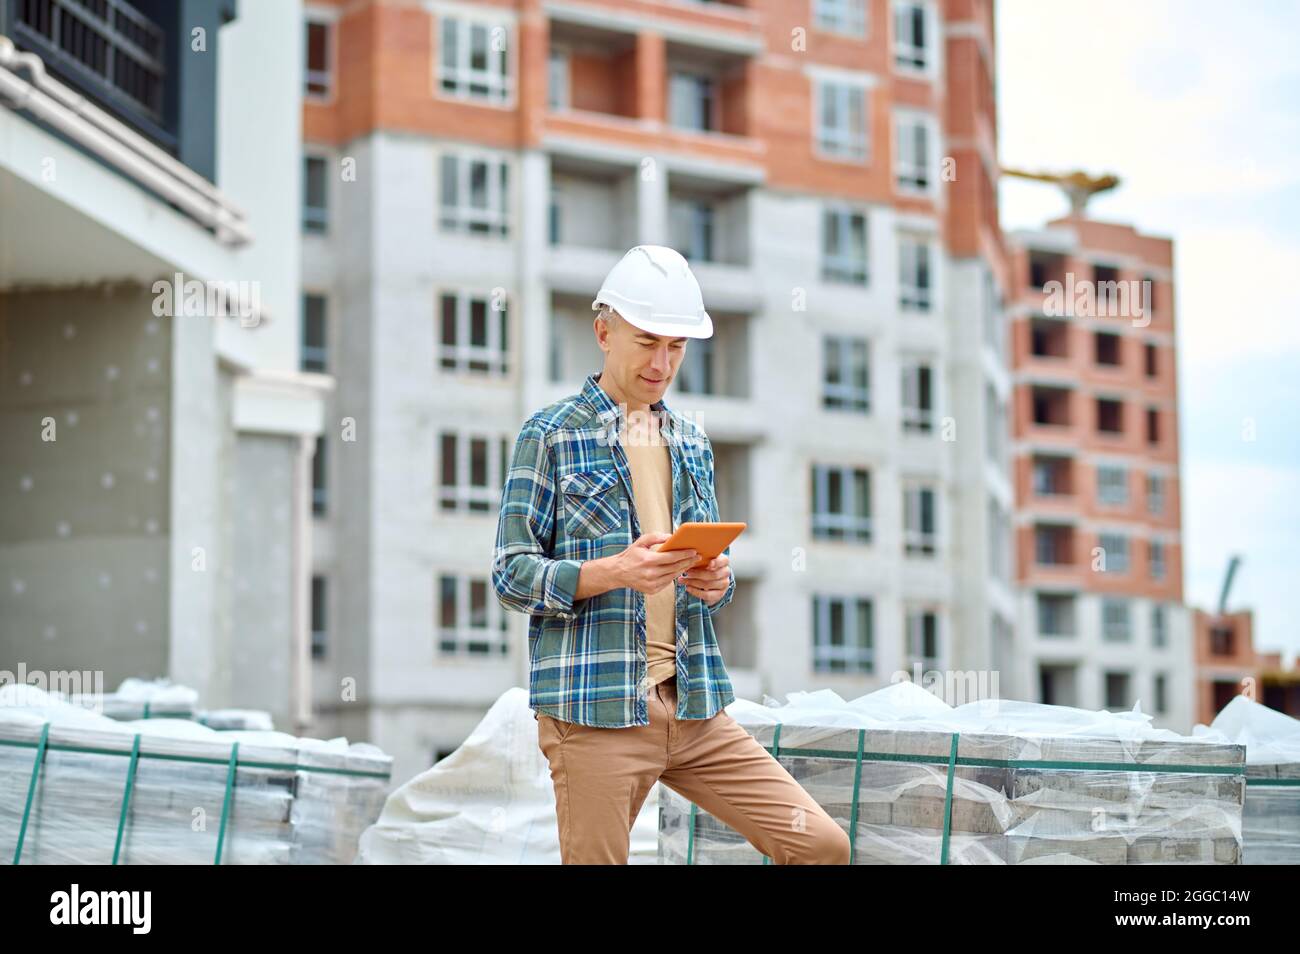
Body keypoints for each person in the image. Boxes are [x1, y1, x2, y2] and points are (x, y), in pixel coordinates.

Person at [491, 245, 851, 865]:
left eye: (677, 347)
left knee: (820, 845)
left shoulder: (691, 441)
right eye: (647, 342)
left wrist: (715, 581)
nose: (662, 363)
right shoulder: (550, 434)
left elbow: (702, 577)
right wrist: (613, 572)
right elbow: (510, 574)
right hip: (594, 708)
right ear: (604, 332)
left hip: (692, 705)